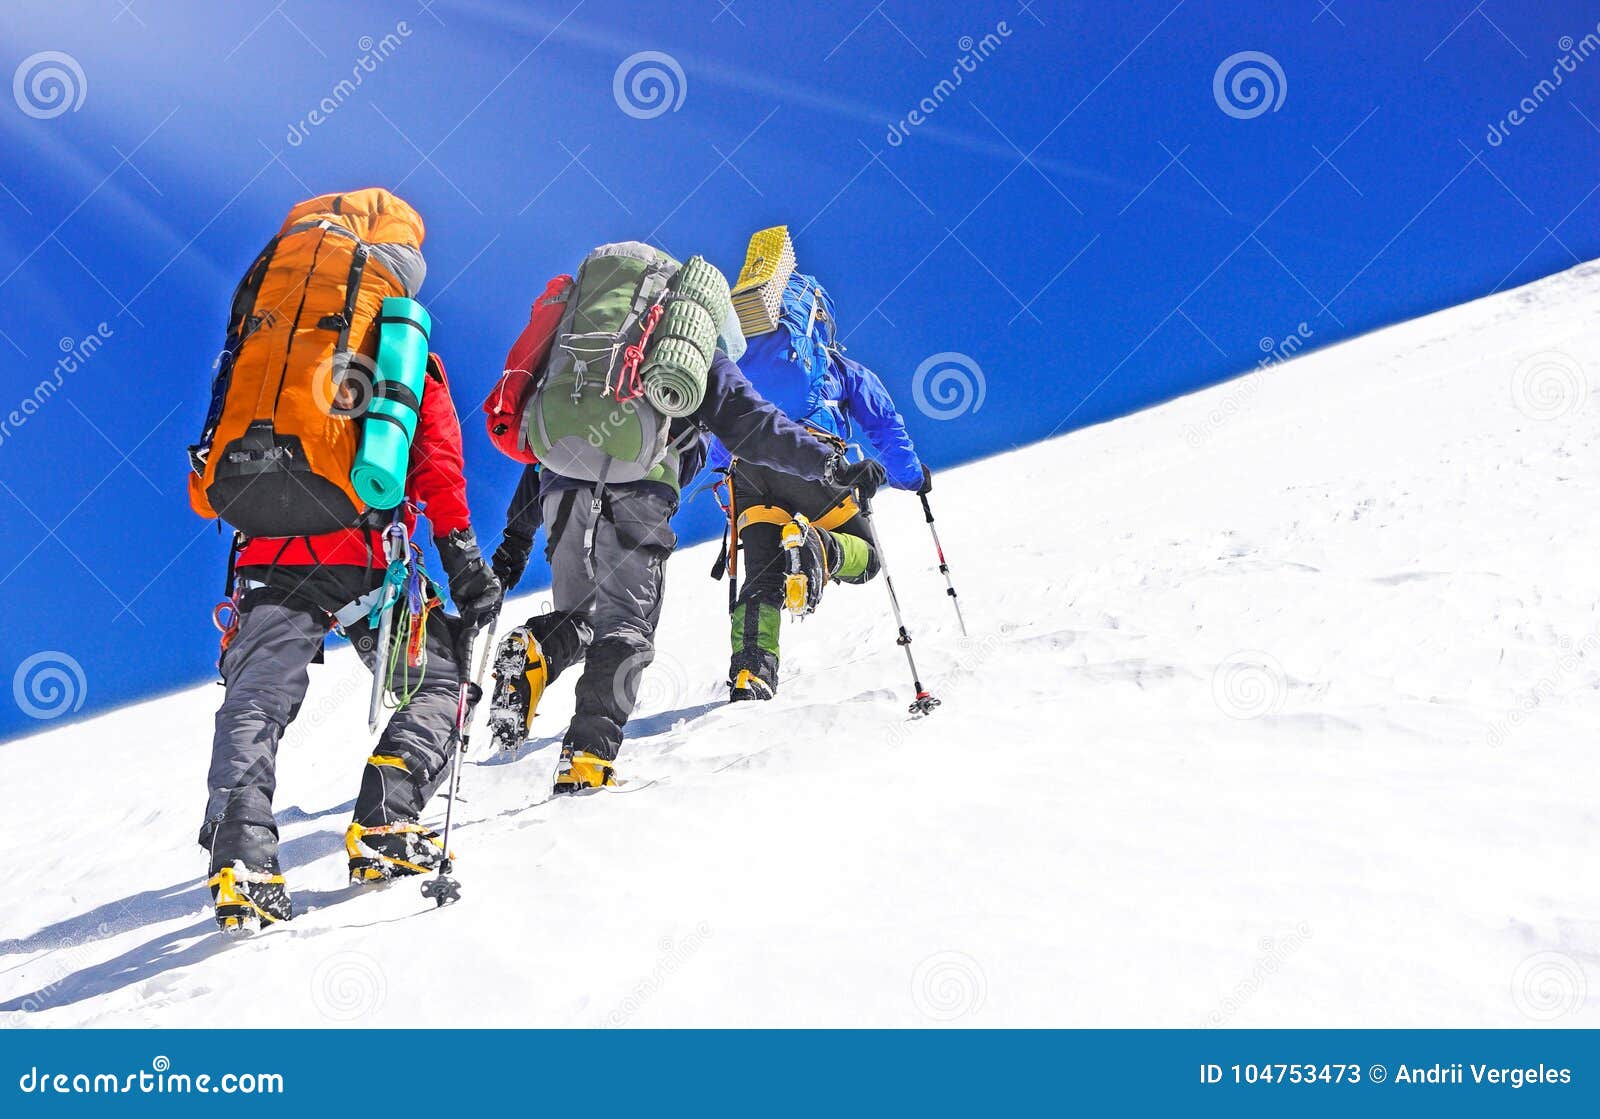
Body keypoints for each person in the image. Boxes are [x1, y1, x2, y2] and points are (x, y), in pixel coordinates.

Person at [190, 189, 502, 932]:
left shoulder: (265, 318)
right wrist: (462, 557)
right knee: (440, 679)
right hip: (365, 553)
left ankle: (242, 854)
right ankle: (387, 820)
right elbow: (436, 453)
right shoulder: (393, 334)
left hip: (266, 553)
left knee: (256, 702)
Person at [488, 350, 881, 793]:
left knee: (585, 616)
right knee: (625, 628)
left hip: (559, 492)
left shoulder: (592, 347)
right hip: (638, 489)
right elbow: (752, 423)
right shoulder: (689, 349)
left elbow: (548, 448)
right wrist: (830, 463)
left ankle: (539, 647)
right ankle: (586, 761)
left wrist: (515, 542)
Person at [714, 266, 930, 702]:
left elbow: (717, 442)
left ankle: (751, 674)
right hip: (813, 459)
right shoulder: (837, 368)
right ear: (819, 321)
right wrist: (912, 478)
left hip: (749, 473)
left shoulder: (738, 367)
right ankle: (819, 548)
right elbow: (885, 427)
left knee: (762, 577)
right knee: (866, 558)